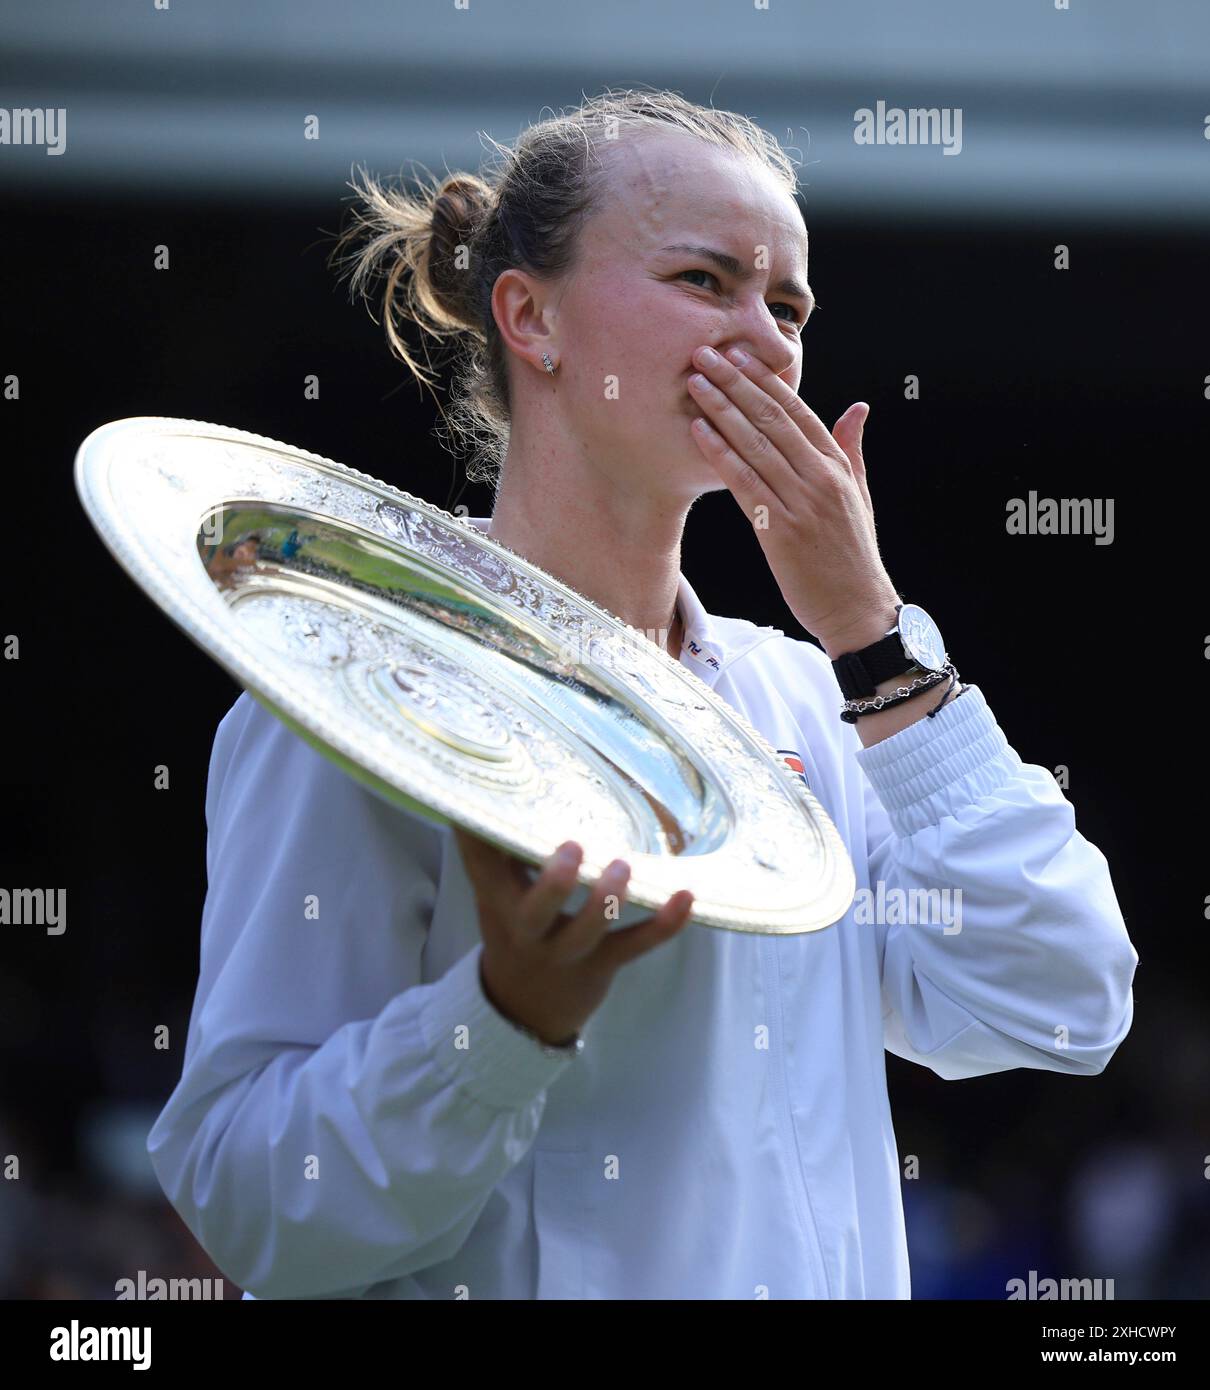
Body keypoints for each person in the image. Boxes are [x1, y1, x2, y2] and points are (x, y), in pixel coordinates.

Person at [146, 87, 1138, 1299]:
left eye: (788, 306)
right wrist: (504, 1022)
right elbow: (256, 1208)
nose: (771, 345)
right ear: (530, 315)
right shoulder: (352, 677)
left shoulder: (807, 695)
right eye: (704, 280)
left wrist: (870, 636)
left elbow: (1063, 1000)